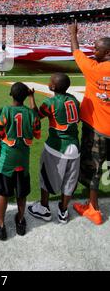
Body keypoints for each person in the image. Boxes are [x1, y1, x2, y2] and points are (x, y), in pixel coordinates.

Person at [0, 83, 41, 239]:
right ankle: (20, 221)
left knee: (4, 192)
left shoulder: (5, 111)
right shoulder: (31, 115)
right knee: (21, 192)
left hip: (7, 159)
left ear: (11, 94)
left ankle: (1, 225)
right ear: (25, 96)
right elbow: (37, 129)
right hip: (23, 159)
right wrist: (32, 98)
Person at [69, 21, 110, 225]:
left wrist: (72, 33)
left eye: (96, 48)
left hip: (97, 130)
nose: (93, 50)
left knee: (93, 169)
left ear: (107, 52)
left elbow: (76, 52)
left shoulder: (94, 69)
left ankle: (93, 209)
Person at [28, 73, 80, 224]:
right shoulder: (74, 100)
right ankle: (63, 211)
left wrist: (31, 97)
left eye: (50, 81)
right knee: (69, 182)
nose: (48, 82)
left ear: (53, 87)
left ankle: (44, 208)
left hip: (56, 147)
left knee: (46, 177)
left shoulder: (51, 102)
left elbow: (36, 117)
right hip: (75, 147)